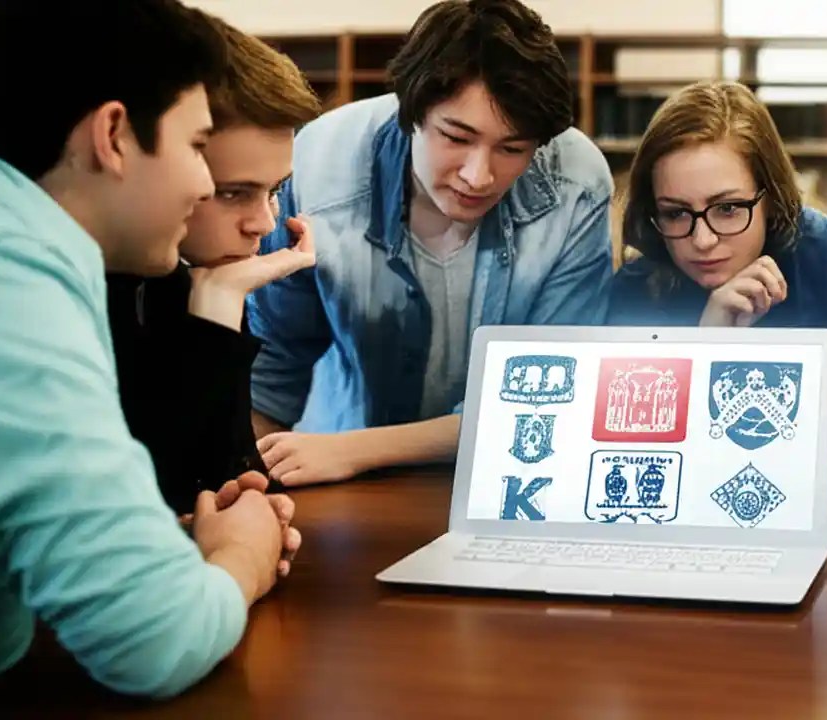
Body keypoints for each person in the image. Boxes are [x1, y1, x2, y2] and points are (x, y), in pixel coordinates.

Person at [0, 0, 298, 698]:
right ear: (113, 133)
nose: (204, 185)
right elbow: (154, 642)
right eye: (199, 147)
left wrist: (142, 539)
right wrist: (242, 554)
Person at [248, 0, 614, 486]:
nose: (479, 176)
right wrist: (241, 484)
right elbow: (273, 369)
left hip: (514, 476)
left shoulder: (577, 184)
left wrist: (360, 451)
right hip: (339, 476)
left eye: (512, 149)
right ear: (412, 109)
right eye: (456, 137)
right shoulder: (316, 169)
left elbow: (547, 398)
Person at [607, 81, 827, 448]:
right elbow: (638, 448)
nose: (702, 240)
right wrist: (708, 344)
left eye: (728, 208)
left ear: (770, 196)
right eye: (675, 213)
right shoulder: (635, 291)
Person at [107, 12, 321, 514]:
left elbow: (232, 479)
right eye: (231, 193)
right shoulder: (98, 285)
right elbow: (171, 496)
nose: (265, 224)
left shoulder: (196, 274)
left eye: (274, 191)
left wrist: (221, 300)